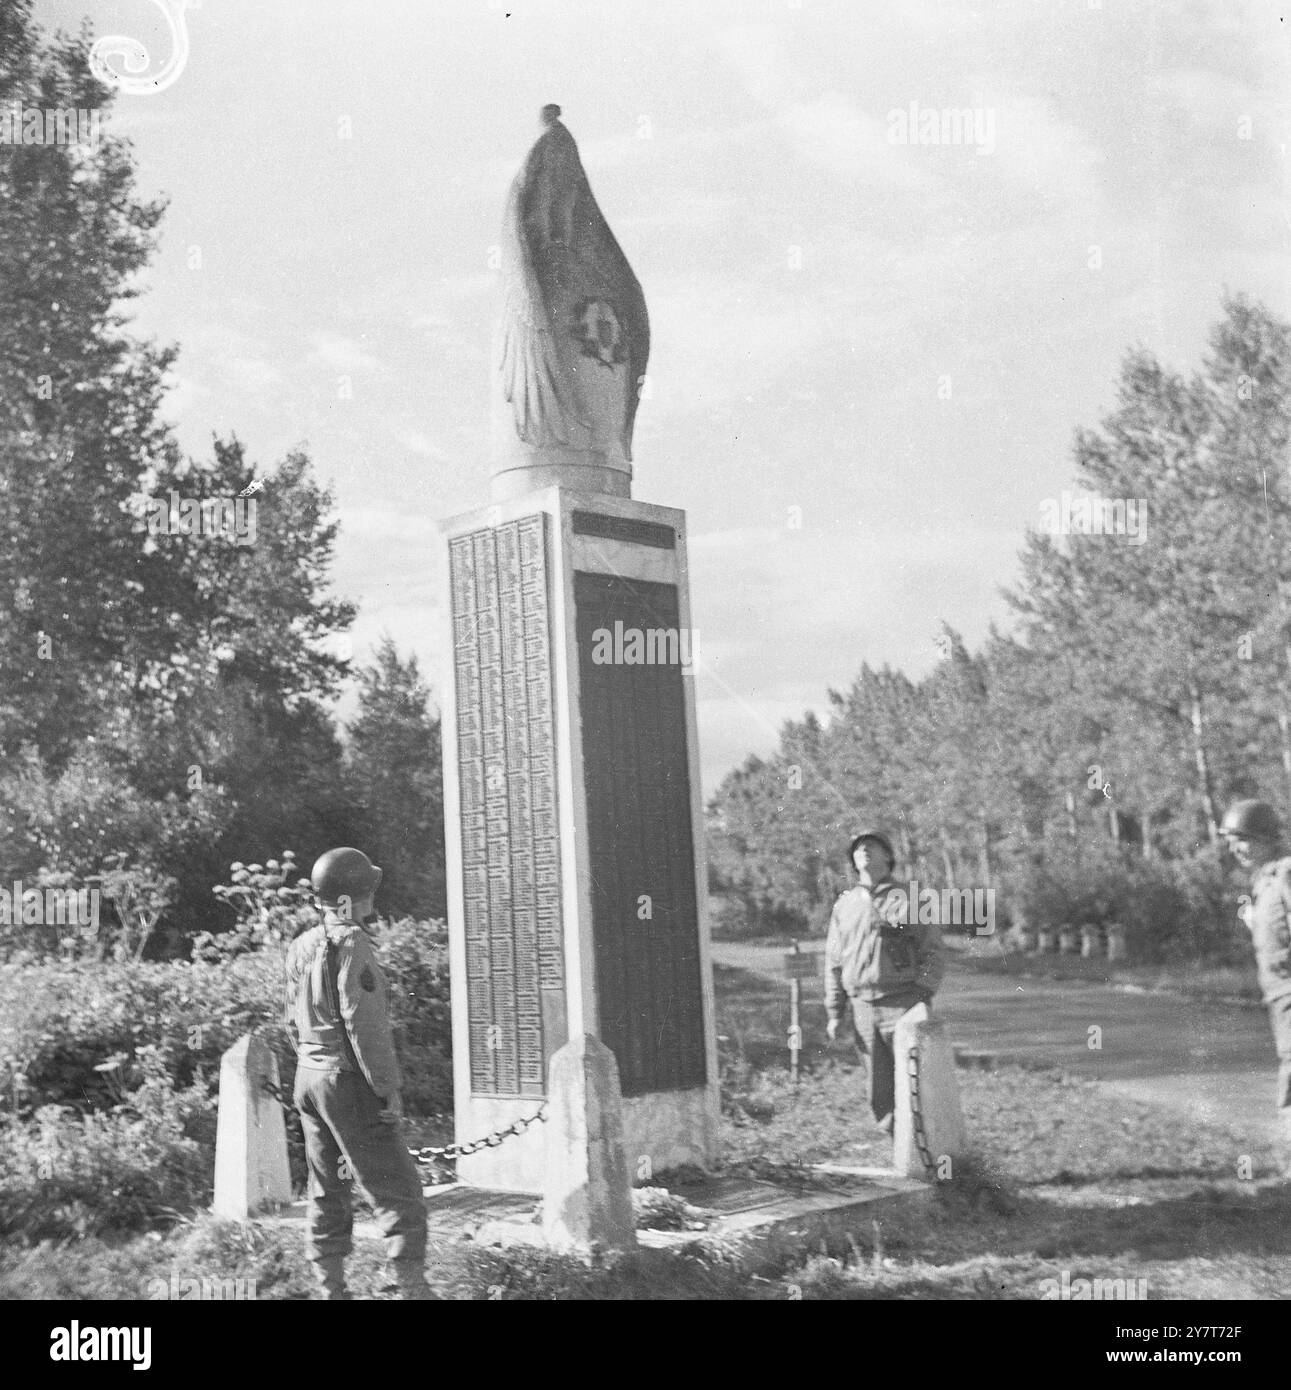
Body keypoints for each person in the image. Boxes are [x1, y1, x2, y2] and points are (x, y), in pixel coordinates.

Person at [284, 847, 432, 1300]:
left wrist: (313, 1065)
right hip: (347, 1081)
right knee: (397, 1188)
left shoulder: (300, 944)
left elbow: (290, 1020)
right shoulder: (353, 944)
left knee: (329, 1187)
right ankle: (412, 1290)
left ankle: (331, 1290)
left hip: (309, 1078)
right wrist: (386, 1090)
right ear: (362, 895)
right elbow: (363, 1023)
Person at [824, 829, 945, 1135]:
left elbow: (933, 951)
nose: (863, 849)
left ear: (888, 857)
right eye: (858, 848)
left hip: (903, 1001)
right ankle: (899, 1148)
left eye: (872, 846)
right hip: (862, 1006)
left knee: (917, 1079)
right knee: (878, 1088)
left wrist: (921, 993)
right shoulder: (844, 905)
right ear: (853, 860)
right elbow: (834, 963)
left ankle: (930, 1151)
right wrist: (835, 1012)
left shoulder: (910, 896)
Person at [1219, 800, 1291, 1162]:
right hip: (1279, 994)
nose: (1236, 849)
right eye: (1231, 841)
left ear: (1264, 837)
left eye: (1242, 839)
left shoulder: (1286, 874)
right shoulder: (1265, 880)